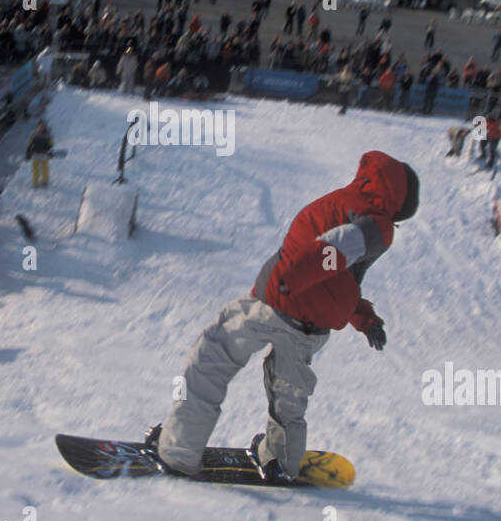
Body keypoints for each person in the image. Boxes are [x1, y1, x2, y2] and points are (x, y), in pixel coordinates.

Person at [146, 152, 420, 484]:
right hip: (308, 322)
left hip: (278, 301)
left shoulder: (365, 216)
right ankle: (280, 461)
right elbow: (339, 271)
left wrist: (290, 277)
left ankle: (178, 452)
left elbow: (331, 253)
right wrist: (364, 318)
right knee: (288, 393)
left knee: (212, 357)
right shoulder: (375, 221)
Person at [27, 120, 54, 188]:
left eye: (43, 126)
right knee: (35, 168)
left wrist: (50, 151)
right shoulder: (33, 134)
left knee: (45, 168)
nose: (41, 127)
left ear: (45, 126)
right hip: (35, 153)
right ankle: (35, 182)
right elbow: (30, 143)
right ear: (38, 126)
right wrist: (28, 152)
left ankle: (45, 181)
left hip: (44, 153)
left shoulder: (48, 134)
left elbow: (51, 144)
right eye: (40, 126)